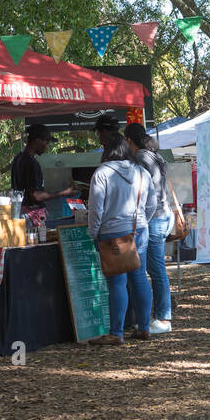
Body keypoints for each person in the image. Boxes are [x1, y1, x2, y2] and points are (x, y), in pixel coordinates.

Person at [87, 131, 156, 346]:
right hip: (139, 231)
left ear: (107, 150)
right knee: (140, 277)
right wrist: (142, 221)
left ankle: (116, 333)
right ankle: (144, 327)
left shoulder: (102, 173)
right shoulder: (142, 172)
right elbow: (152, 204)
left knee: (116, 283)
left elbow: (95, 210)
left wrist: (94, 233)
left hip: (112, 233)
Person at [124, 122, 184, 335]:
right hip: (163, 214)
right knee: (156, 268)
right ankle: (159, 314)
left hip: (154, 217)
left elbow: (143, 192)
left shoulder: (140, 158)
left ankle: (163, 317)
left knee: (155, 269)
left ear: (129, 140)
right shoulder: (155, 155)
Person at [12, 124, 75, 210]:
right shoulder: (31, 163)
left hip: (21, 211)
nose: (47, 147)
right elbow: (36, 196)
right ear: (37, 141)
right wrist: (64, 193)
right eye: (46, 142)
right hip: (31, 214)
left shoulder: (18, 158)